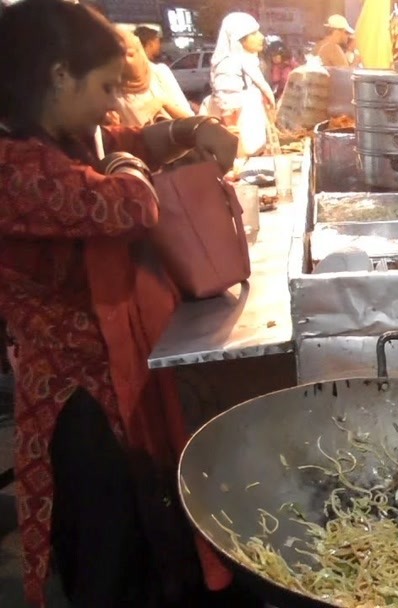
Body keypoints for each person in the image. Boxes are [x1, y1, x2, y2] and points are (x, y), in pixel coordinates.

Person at [0, 0, 256, 606]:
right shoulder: (14, 167)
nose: (114, 103)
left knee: (149, 522)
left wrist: (189, 130)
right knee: (107, 538)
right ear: (59, 75)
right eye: (106, 87)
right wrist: (133, 164)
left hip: (121, 368)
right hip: (74, 392)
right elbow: (128, 204)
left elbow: (128, 139)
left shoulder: (61, 138)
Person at [206, 12, 275, 155]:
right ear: (239, 38)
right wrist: (237, 158)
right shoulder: (228, 65)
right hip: (240, 154)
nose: (261, 37)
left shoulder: (248, 63)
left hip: (253, 148)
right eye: (254, 33)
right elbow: (229, 116)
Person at [113, 27, 193, 127]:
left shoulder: (159, 73)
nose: (125, 61)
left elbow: (191, 120)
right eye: (117, 56)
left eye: (130, 54)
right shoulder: (113, 90)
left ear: (139, 52)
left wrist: (163, 103)